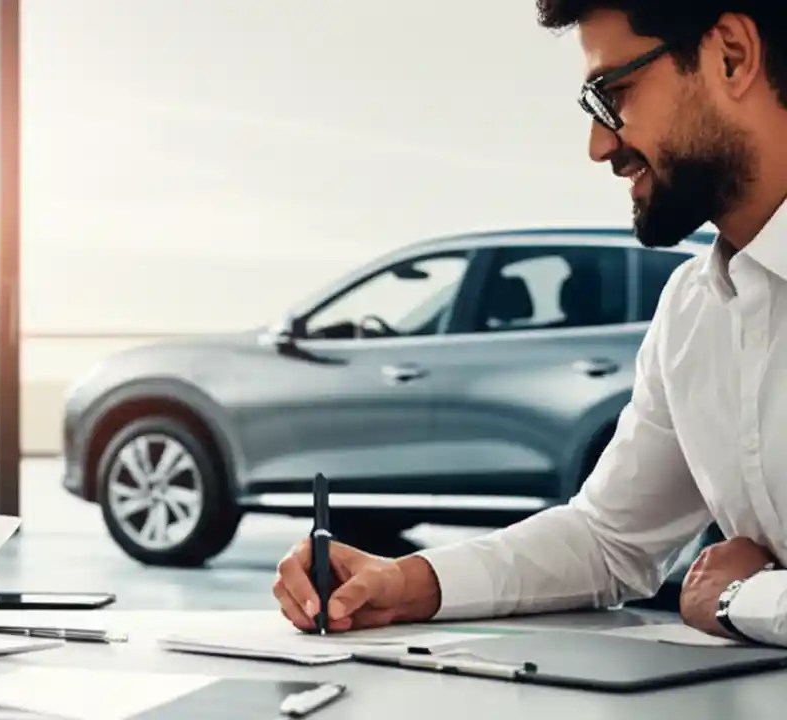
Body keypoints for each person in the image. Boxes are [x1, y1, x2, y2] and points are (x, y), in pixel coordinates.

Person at [275, 0, 787, 646]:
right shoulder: (695, 311)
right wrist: (404, 583)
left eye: (614, 94)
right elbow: (605, 540)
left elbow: (726, 588)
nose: (600, 145)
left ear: (732, 56)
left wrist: (743, 597)